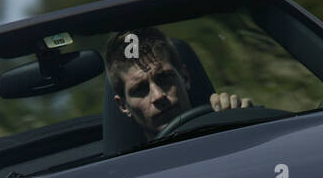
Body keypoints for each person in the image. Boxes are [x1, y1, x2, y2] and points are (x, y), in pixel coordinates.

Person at [104, 27, 252, 141]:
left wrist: (243, 123)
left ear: (185, 77)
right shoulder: (128, 175)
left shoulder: (228, 130)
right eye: (140, 89)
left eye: (164, 78)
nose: (158, 95)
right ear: (123, 105)